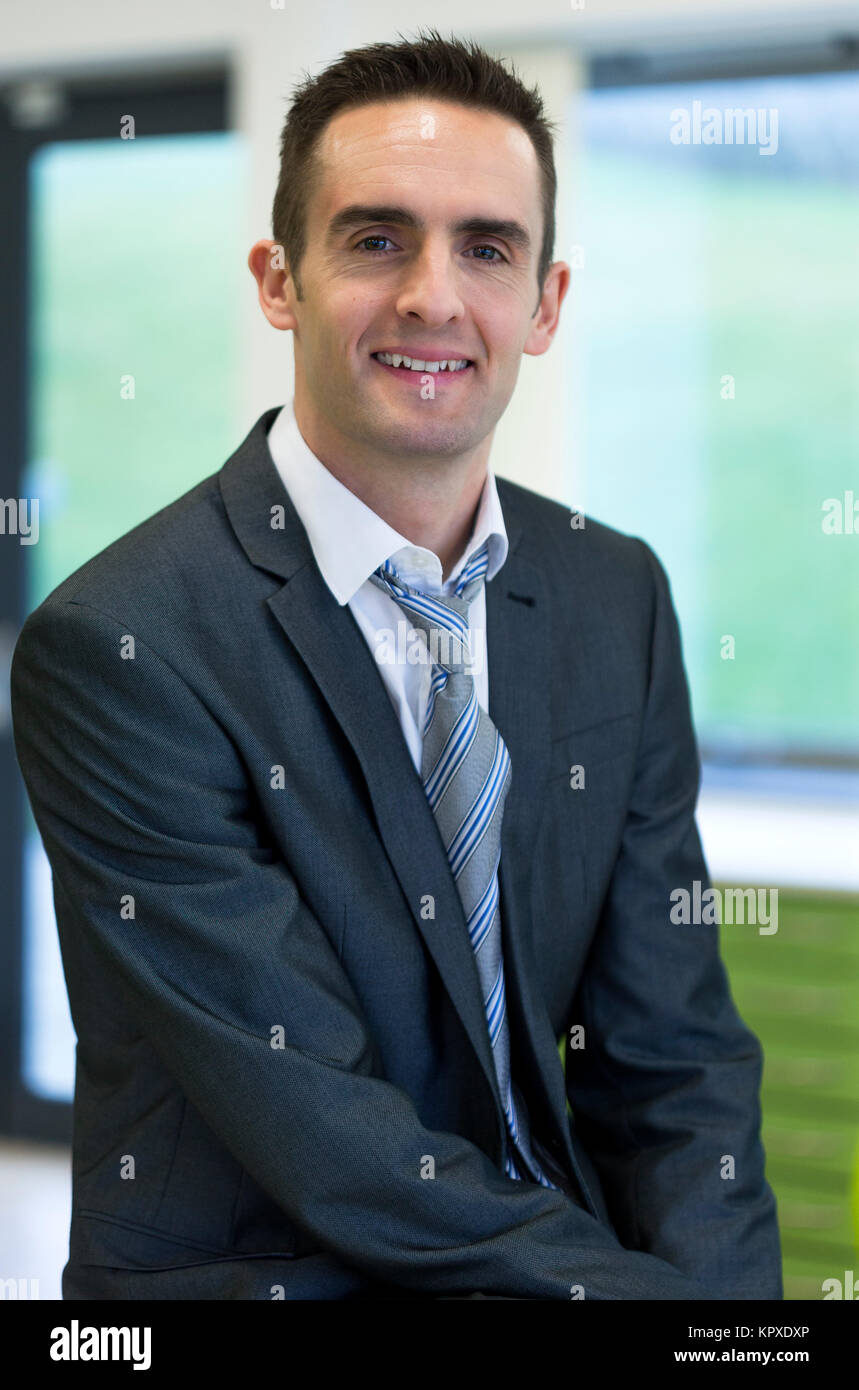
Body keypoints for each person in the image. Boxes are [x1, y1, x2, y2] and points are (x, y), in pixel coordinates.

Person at [10, 29, 782, 1300]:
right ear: (278, 279)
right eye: (376, 239)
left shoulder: (611, 594)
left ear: (544, 304)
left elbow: (676, 1051)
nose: (434, 295)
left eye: (486, 247)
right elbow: (328, 1135)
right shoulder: (125, 646)